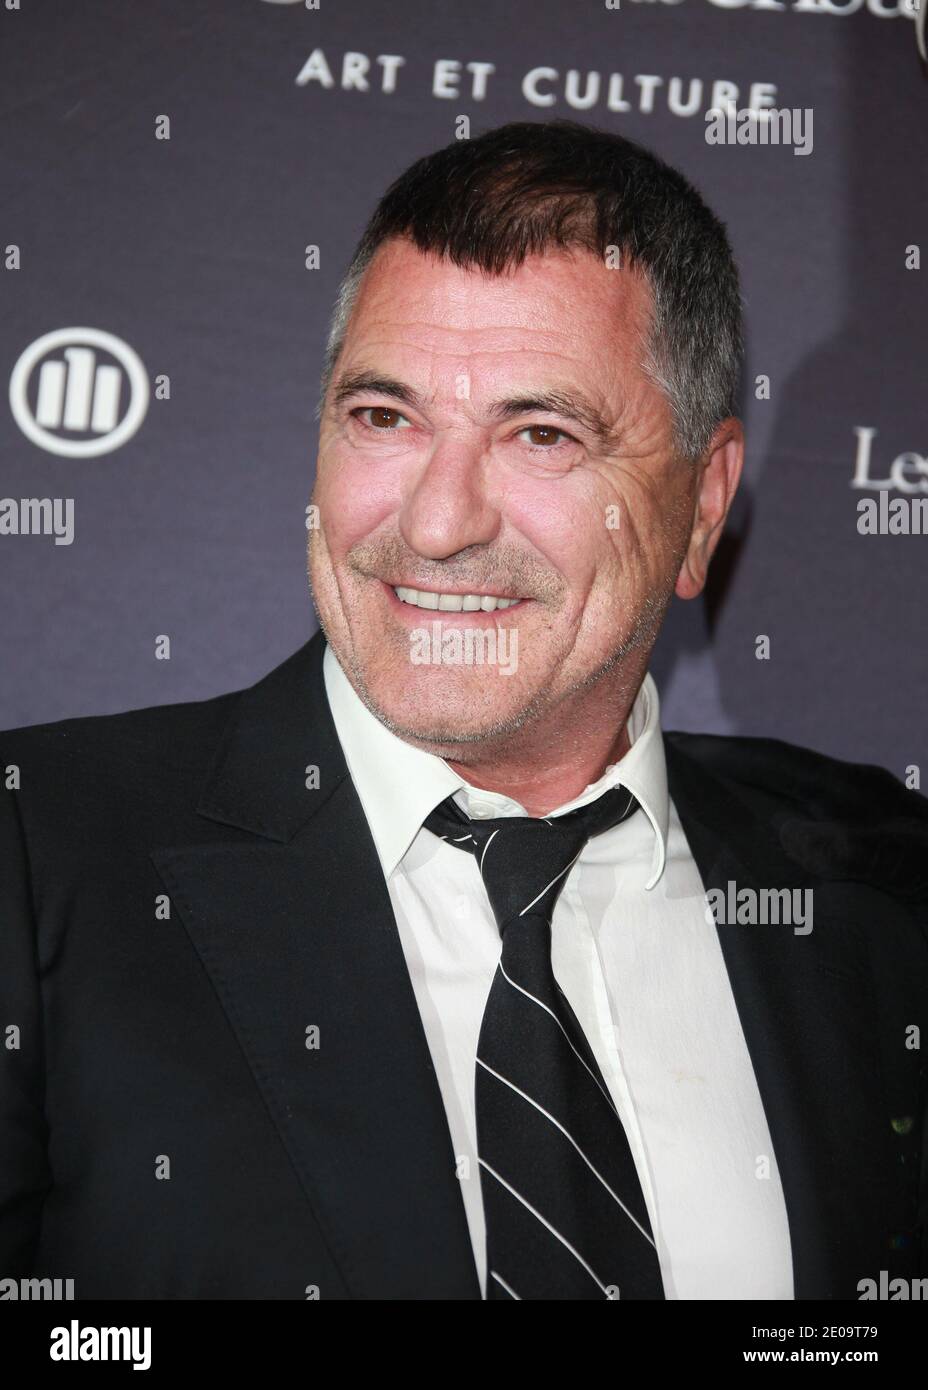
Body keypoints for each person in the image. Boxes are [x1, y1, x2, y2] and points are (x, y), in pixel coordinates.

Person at [2, 120, 926, 1302]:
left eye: (541, 433)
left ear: (701, 506)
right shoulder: (35, 852)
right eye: (384, 418)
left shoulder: (880, 884)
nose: (437, 524)